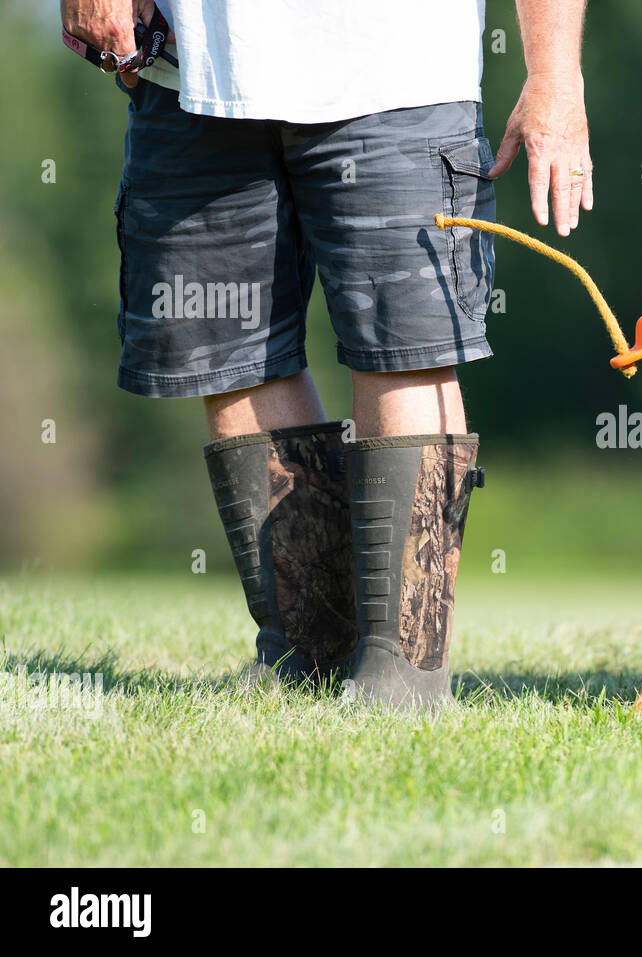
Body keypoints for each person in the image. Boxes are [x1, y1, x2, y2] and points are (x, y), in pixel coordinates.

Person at [59, 0, 595, 709]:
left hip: (401, 73)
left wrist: (555, 73)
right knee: (230, 354)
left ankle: (402, 675)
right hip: (188, 68)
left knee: (405, 347)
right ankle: (304, 652)